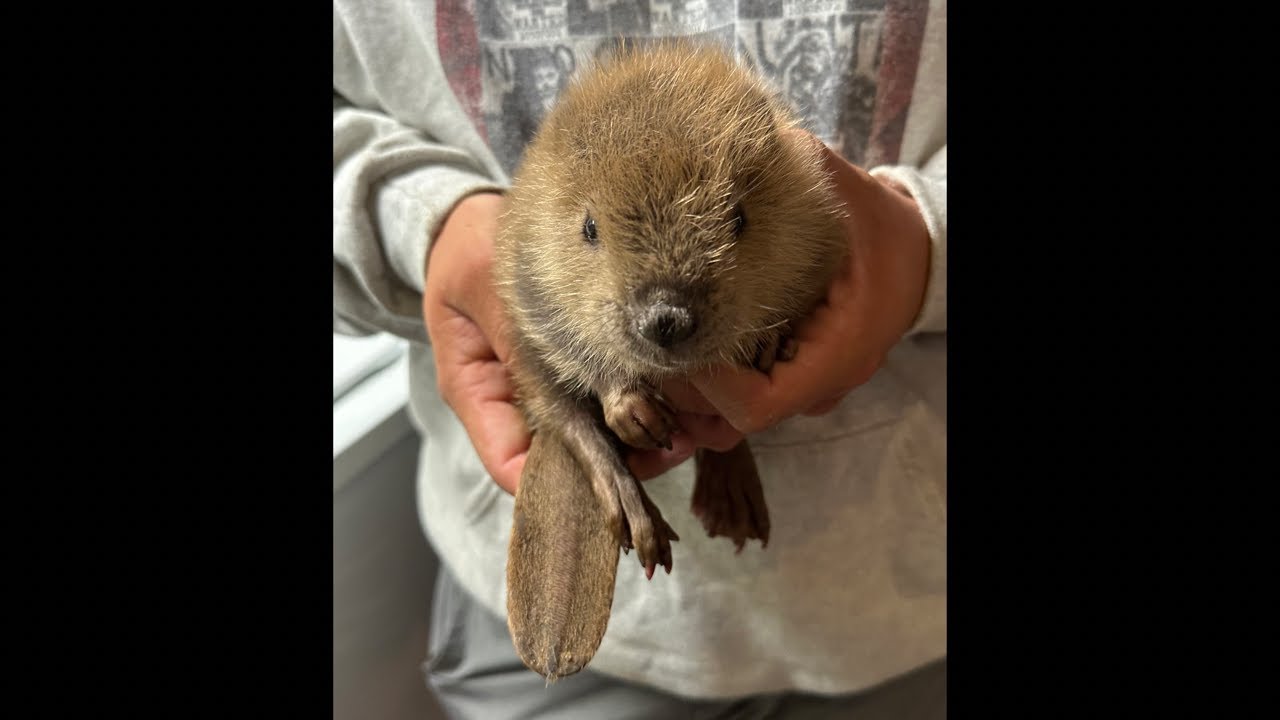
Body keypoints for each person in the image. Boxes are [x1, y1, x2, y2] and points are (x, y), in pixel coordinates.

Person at [334, 1, 947, 717]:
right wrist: (422, 223)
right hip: (570, 621)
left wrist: (922, 241)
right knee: (569, 380)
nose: (668, 320)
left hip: (901, 598)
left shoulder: (795, 204)